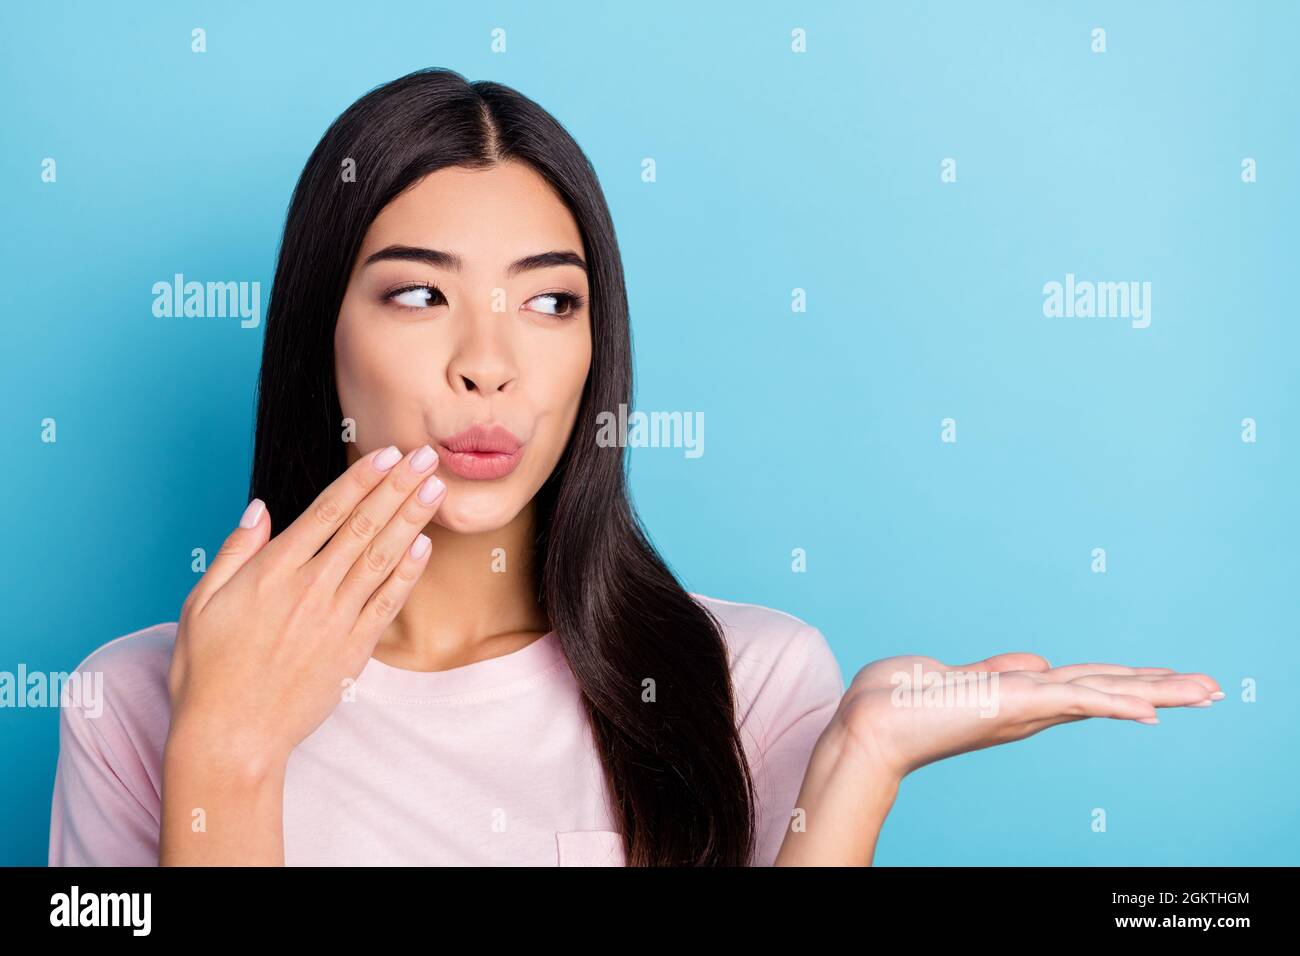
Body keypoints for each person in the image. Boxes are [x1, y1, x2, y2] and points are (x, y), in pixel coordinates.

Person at [48, 68, 1221, 867]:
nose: (489, 364)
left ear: (595, 343)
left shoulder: (743, 679)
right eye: (419, 293)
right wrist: (227, 752)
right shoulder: (133, 703)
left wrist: (859, 759)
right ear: (320, 336)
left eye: (550, 300)